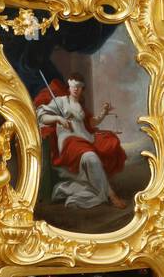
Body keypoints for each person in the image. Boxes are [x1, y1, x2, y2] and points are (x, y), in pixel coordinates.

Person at [36, 72, 127, 209]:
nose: (75, 89)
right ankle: (111, 195)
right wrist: (58, 119)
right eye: (73, 86)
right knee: (91, 157)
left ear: (82, 89)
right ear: (69, 86)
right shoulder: (60, 101)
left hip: (85, 138)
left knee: (110, 142)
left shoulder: (80, 106)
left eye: (79, 87)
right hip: (69, 140)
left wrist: (103, 112)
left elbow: (91, 123)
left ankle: (98, 188)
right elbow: (42, 116)